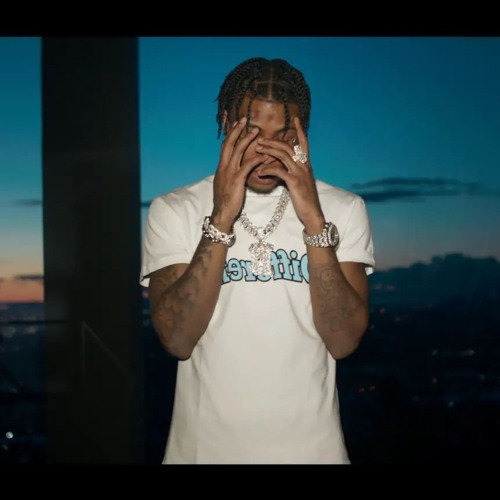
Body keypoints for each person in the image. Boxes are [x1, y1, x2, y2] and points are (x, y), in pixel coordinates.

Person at [140, 57, 375, 464]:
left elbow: (344, 341)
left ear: (303, 133)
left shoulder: (344, 208)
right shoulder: (174, 209)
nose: (267, 153)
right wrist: (221, 216)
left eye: (284, 136)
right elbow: (176, 339)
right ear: (226, 121)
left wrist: (314, 221)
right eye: (252, 133)